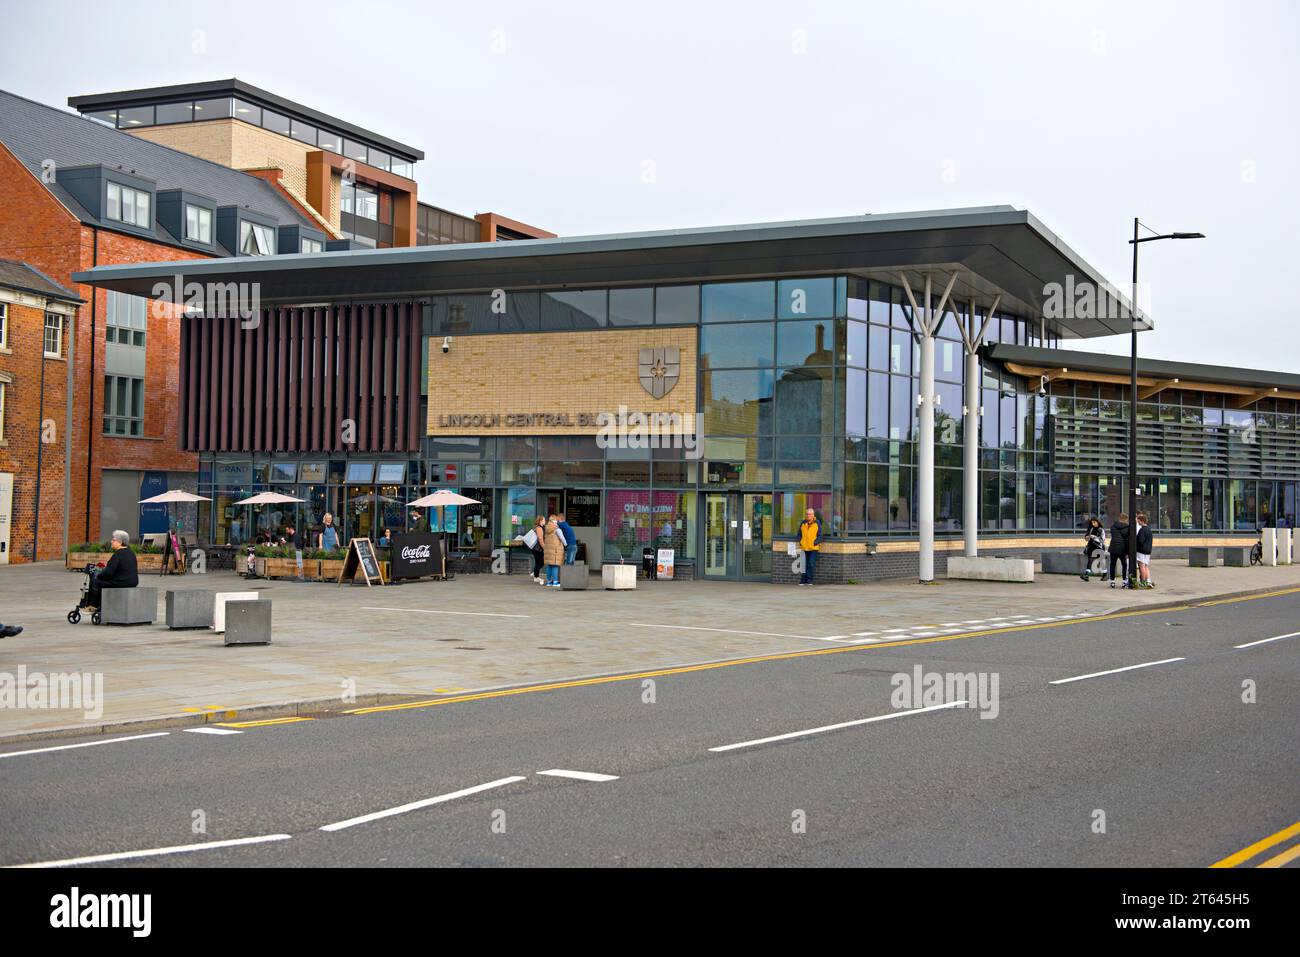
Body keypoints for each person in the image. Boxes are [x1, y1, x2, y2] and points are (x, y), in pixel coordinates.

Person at [83, 530, 139, 612]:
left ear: (120, 542)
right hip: (132, 582)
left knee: (95, 581)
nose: (111, 541)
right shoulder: (131, 553)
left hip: (121, 583)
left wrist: (99, 575)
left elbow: (108, 572)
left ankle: (93, 605)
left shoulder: (117, 554)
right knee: (100, 580)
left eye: (113, 540)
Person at [797, 507, 824, 586]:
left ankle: (809, 581)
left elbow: (820, 535)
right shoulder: (803, 523)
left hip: (813, 548)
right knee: (804, 564)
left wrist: (815, 542)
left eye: (810, 514)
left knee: (811, 563)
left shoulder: (817, 523)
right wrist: (800, 541)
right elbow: (799, 534)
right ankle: (803, 580)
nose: (809, 515)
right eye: (807, 514)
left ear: (813, 515)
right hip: (804, 547)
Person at [542, 514, 566, 588]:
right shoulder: (557, 529)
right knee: (555, 565)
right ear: (554, 521)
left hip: (548, 550)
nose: (557, 522)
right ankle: (555, 582)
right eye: (556, 520)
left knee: (549, 566)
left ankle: (549, 581)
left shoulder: (546, 528)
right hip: (555, 550)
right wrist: (566, 545)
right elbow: (562, 538)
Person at [1108, 513, 1131, 588]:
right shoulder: (1127, 528)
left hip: (1113, 548)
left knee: (1112, 564)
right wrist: (1128, 551)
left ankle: (1112, 582)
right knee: (1124, 564)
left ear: (1119, 518)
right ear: (1125, 519)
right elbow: (1127, 540)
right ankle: (1124, 581)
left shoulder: (1113, 527)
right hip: (1122, 548)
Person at [1081, 517, 1105, 581]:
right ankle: (1086, 575)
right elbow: (1086, 538)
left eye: (1094, 522)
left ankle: (1105, 574)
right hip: (1091, 547)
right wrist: (1087, 537)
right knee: (1090, 560)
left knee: (1101, 561)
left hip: (1099, 547)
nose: (1093, 524)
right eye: (1092, 522)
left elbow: (1102, 540)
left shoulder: (1101, 529)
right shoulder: (1090, 528)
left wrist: (1094, 537)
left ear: (1098, 522)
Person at [1135, 513, 1155, 589]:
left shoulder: (1142, 530)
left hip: (1141, 551)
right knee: (1146, 566)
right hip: (1148, 550)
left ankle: (1143, 582)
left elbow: (1140, 541)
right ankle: (1148, 581)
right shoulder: (1149, 530)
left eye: (1138, 521)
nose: (1138, 522)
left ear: (1142, 521)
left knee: (1142, 566)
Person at [528, 515, 546, 583]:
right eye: (544, 520)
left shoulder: (537, 527)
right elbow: (540, 539)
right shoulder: (539, 528)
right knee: (540, 562)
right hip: (538, 549)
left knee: (539, 562)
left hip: (536, 548)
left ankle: (535, 574)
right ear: (541, 521)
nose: (545, 521)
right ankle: (536, 576)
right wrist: (544, 547)